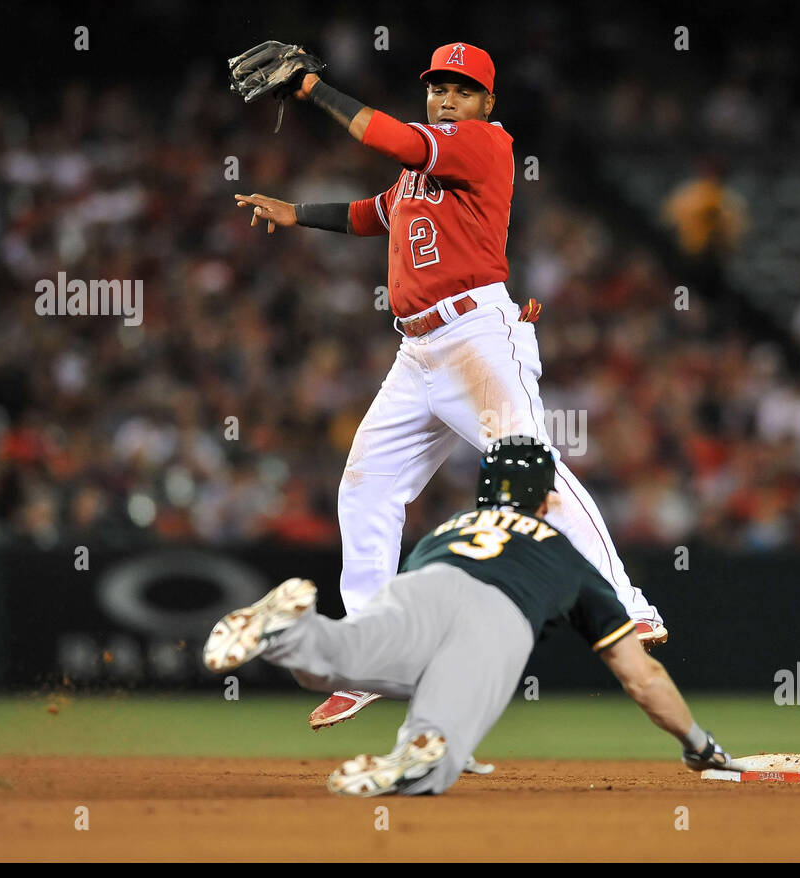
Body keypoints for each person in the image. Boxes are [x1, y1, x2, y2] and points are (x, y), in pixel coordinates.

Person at [230, 41, 668, 734]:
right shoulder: (423, 167)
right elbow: (378, 210)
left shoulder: (484, 144)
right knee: (366, 485)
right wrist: (297, 213)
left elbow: (396, 139)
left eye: (462, 89)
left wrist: (314, 90)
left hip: (476, 338)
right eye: (438, 86)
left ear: (487, 103)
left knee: (536, 476)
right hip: (418, 352)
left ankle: (628, 601)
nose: (446, 97)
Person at [203, 437, 731, 797]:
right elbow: (643, 678)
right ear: (547, 500)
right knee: (439, 754)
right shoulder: (564, 555)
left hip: (423, 584)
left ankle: (291, 630)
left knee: (335, 660)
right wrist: (699, 745)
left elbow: (418, 632)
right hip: (497, 615)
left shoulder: (447, 529)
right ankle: (428, 751)